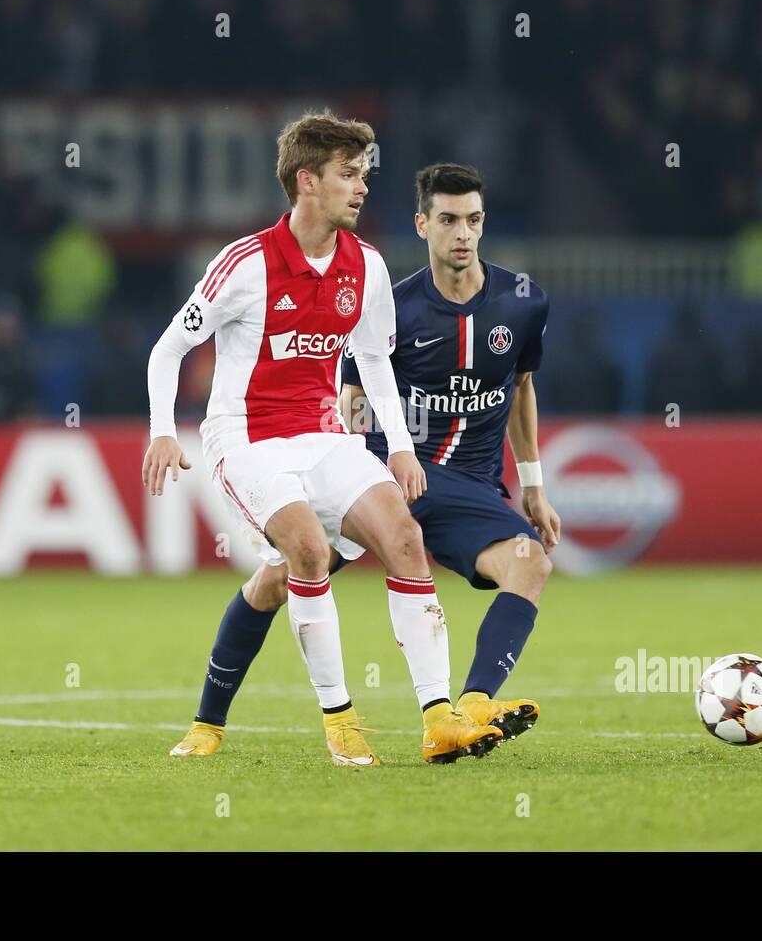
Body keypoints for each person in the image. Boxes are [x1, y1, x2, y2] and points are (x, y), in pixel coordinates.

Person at [144, 116, 501, 767]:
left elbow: (374, 361)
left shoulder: (363, 267)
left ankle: (439, 719)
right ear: (307, 182)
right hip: (246, 440)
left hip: (323, 434)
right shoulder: (244, 264)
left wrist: (397, 446)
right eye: (347, 174)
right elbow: (170, 348)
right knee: (306, 550)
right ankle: (341, 721)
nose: (362, 187)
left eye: (365, 173)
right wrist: (163, 433)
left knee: (403, 539)